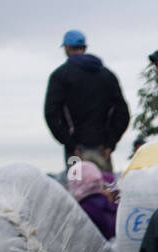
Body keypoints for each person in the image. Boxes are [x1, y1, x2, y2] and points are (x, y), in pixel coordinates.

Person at [44, 29, 131, 171]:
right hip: (103, 150)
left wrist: (69, 143)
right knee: (105, 189)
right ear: (84, 48)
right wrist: (110, 143)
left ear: (66, 48)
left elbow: (51, 114)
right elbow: (122, 113)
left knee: (77, 189)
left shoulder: (59, 76)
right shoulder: (107, 75)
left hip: (74, 152)